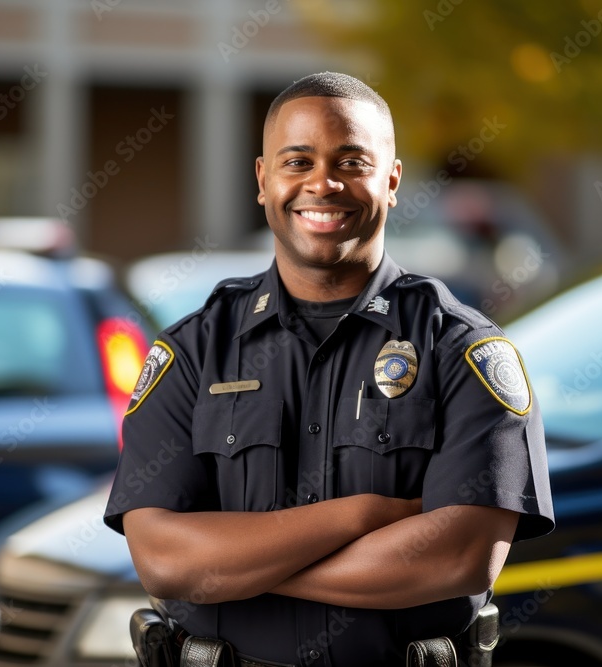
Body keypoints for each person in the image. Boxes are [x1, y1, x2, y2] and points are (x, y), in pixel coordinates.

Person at [104, 71, 554, 667]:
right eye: (297, 162)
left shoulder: (463, 351)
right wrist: (365, 516)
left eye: (351, 161)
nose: (323, 183)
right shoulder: (194, 351)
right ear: (263, 180)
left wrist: (231, 568)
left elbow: (458, 558)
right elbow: (164, 560)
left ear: (392, 181)